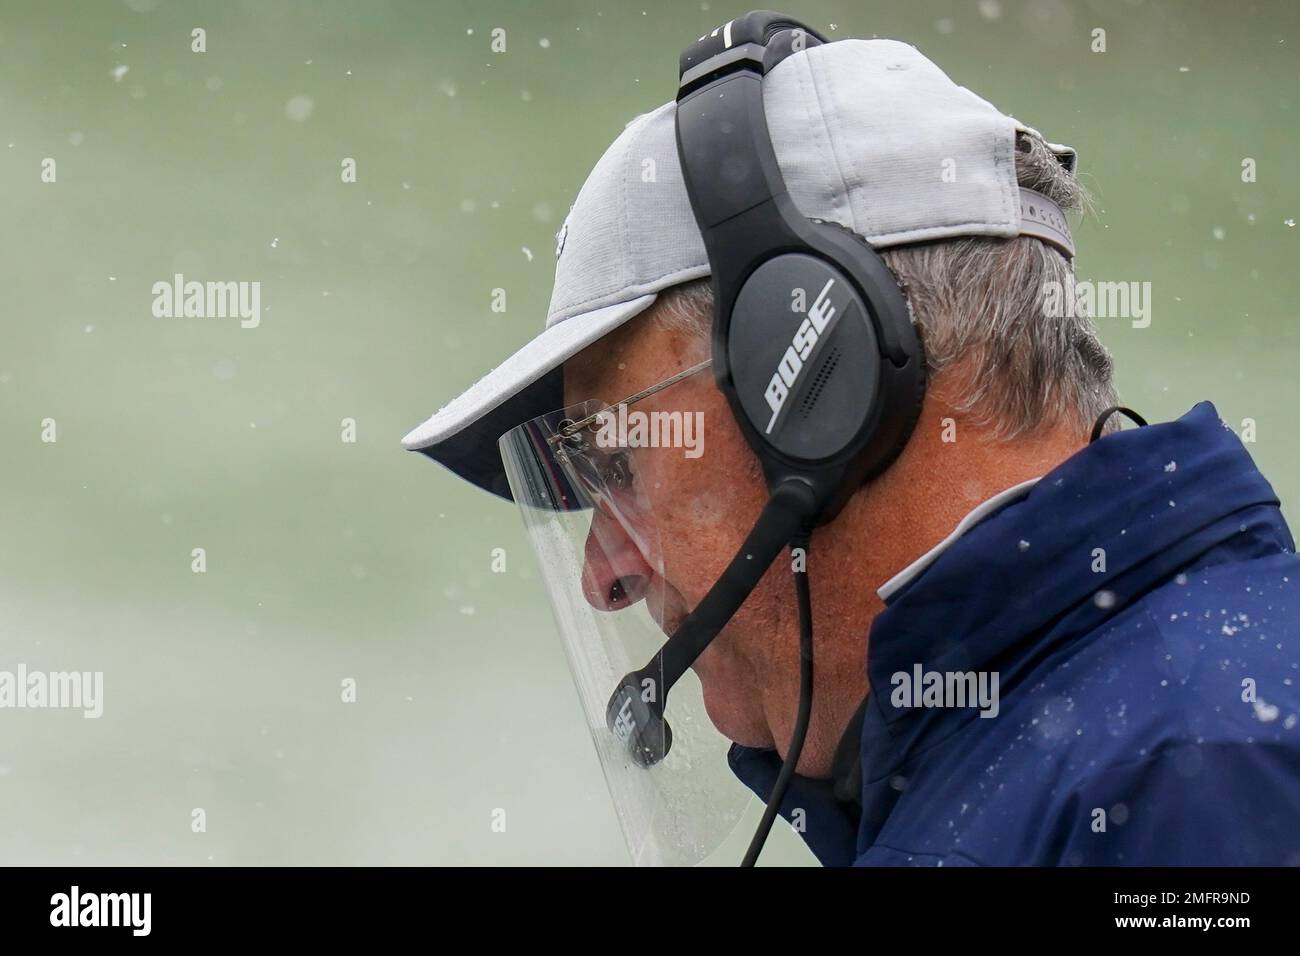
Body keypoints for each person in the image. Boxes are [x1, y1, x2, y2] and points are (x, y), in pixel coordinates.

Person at [403, 14, 1300, 866]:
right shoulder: (1126, 750)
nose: (603, 574)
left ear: (817, 389)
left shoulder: (1198, 778)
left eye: (613, 460)